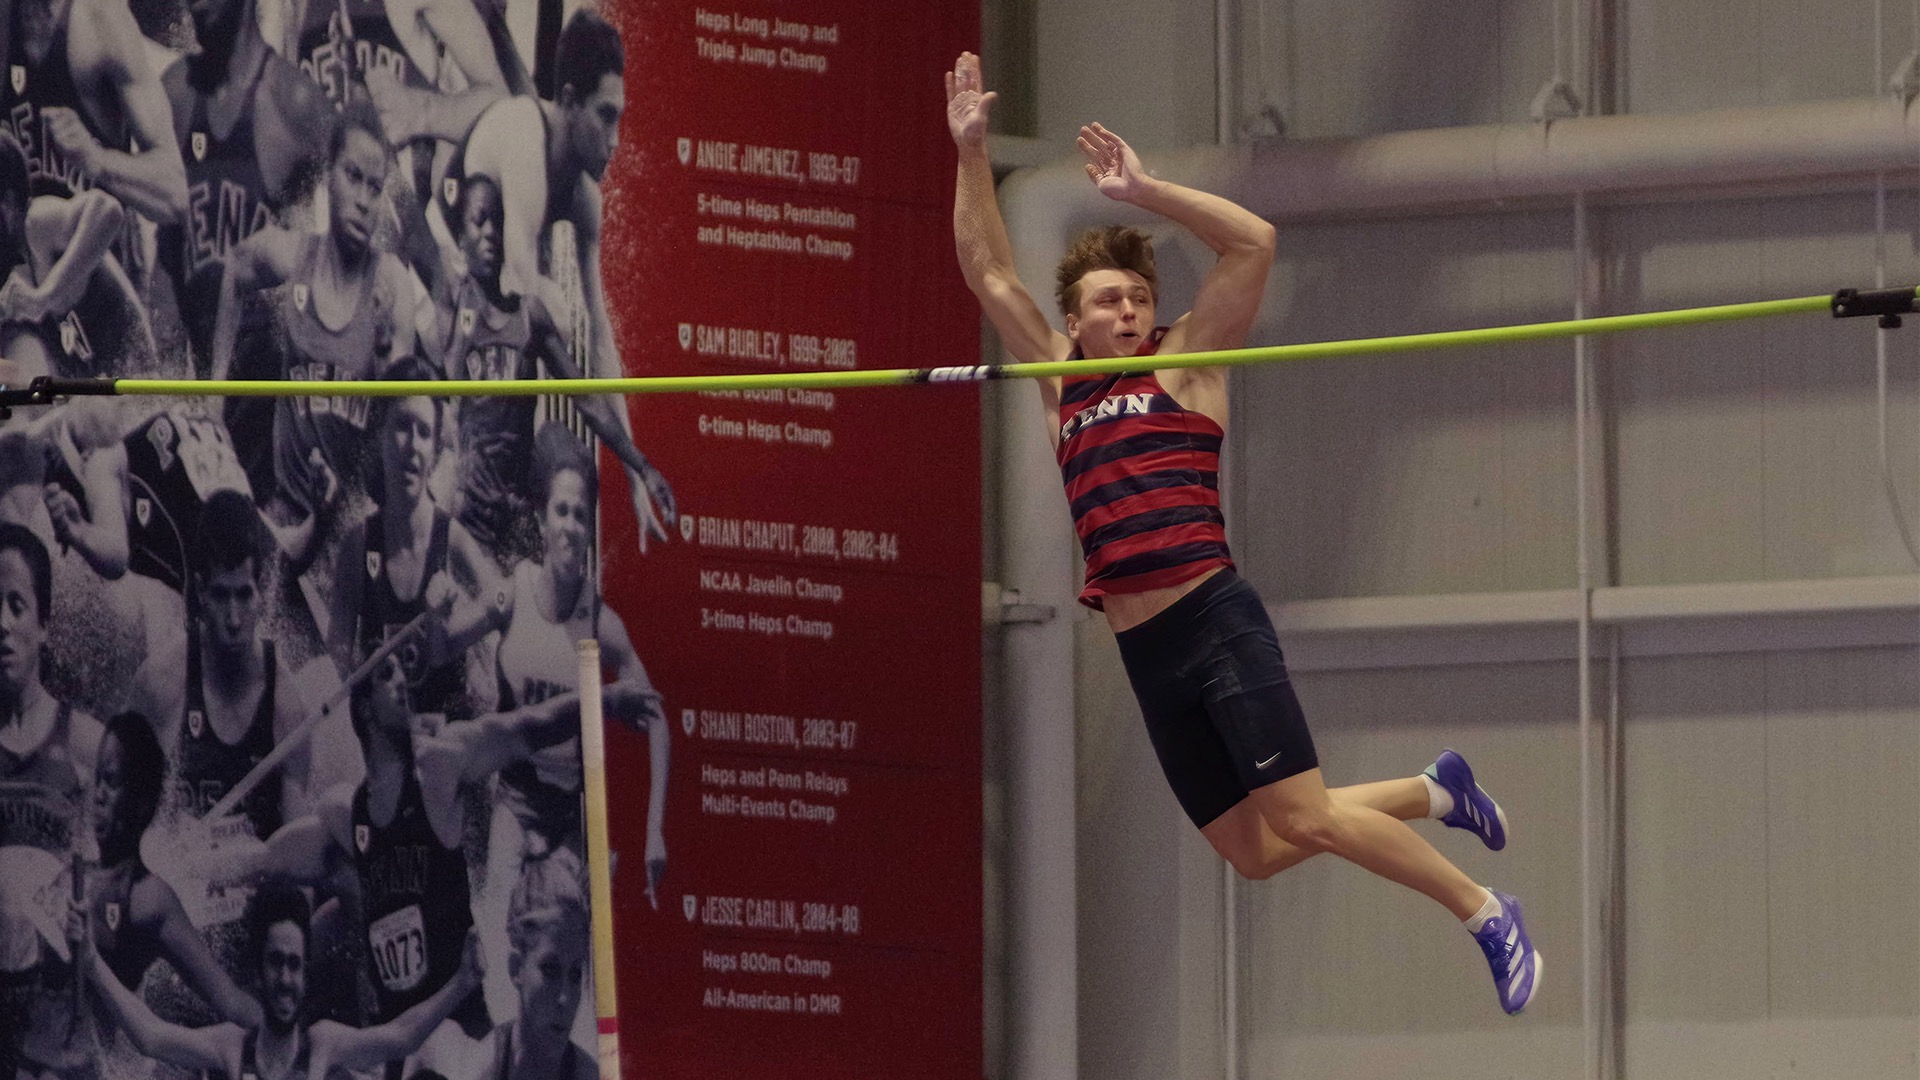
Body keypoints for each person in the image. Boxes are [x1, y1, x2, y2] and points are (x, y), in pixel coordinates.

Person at [944, 51, 1541, 1015]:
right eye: (1110, 300)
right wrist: (971, 151)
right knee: (1261, 851)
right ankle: (1437, 791)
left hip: (1213, 621)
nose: (1130, 310)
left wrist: (1146, 190)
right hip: (1144, 648)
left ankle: (1483, 909)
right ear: (1076, 319)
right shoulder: (1057, 378)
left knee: (1300, 816)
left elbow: (1254, 242)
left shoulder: (1186, 364)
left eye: (1139, 298)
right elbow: (985, 267)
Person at [435, 172, 674, 568]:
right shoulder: (448, 305)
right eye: (480, 220)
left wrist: (642, 465)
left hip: (514, 521)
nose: (491, 232)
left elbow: (588, 400)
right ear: (461, 233)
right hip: (463, 520)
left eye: (499, 220)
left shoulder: (530, 316)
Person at [79, 880, 483, 1080]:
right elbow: (150, 1035)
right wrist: (92, 962)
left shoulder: (323, 1045)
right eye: (276, 963)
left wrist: (461, 983)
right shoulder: (231, 1047)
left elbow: (401, 1037)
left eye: (294, 965)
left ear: (306, 974)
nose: (285, 978)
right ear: (258, 971)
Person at [84, 710, 262, 1028]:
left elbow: (229, 1000)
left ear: (140, 801)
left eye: (110, 782)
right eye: (97, 779)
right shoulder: (75, 870)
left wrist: (288, 1036)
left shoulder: (148, 897)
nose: (97, 795)